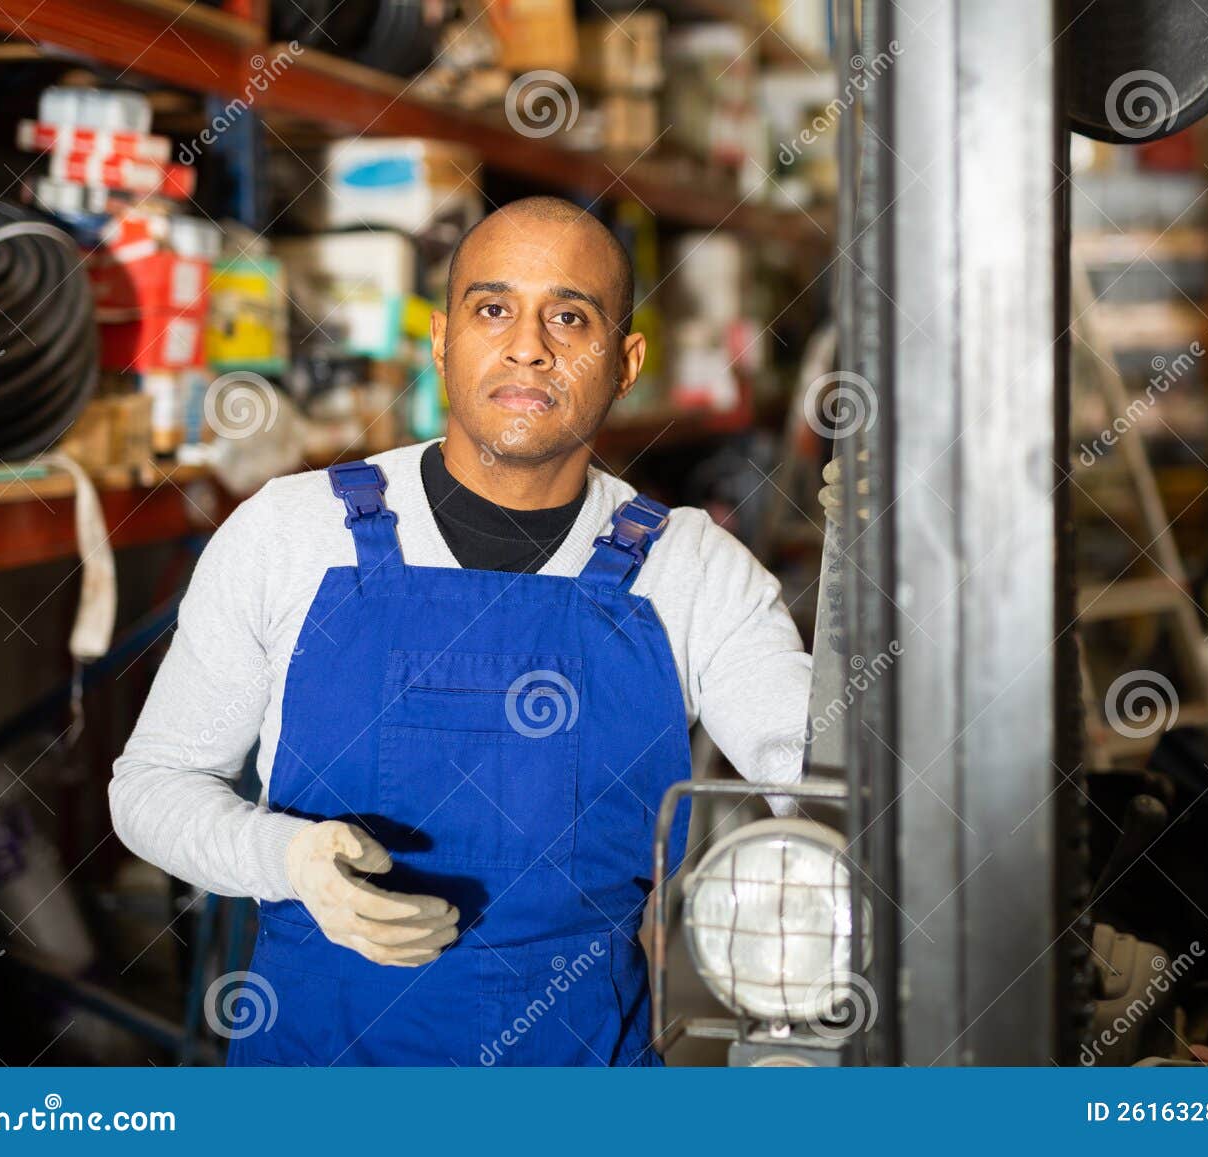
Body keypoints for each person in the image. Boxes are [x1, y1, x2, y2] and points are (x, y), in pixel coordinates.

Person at [109, 196, 812, 1066]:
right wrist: (286, 858)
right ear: (441, 341)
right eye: (493, 309)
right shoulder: (289, 533)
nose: (528, 345)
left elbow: (824, 786)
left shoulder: (693, 571)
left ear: (626, 362)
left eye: (568, 315)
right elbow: (150, 788)